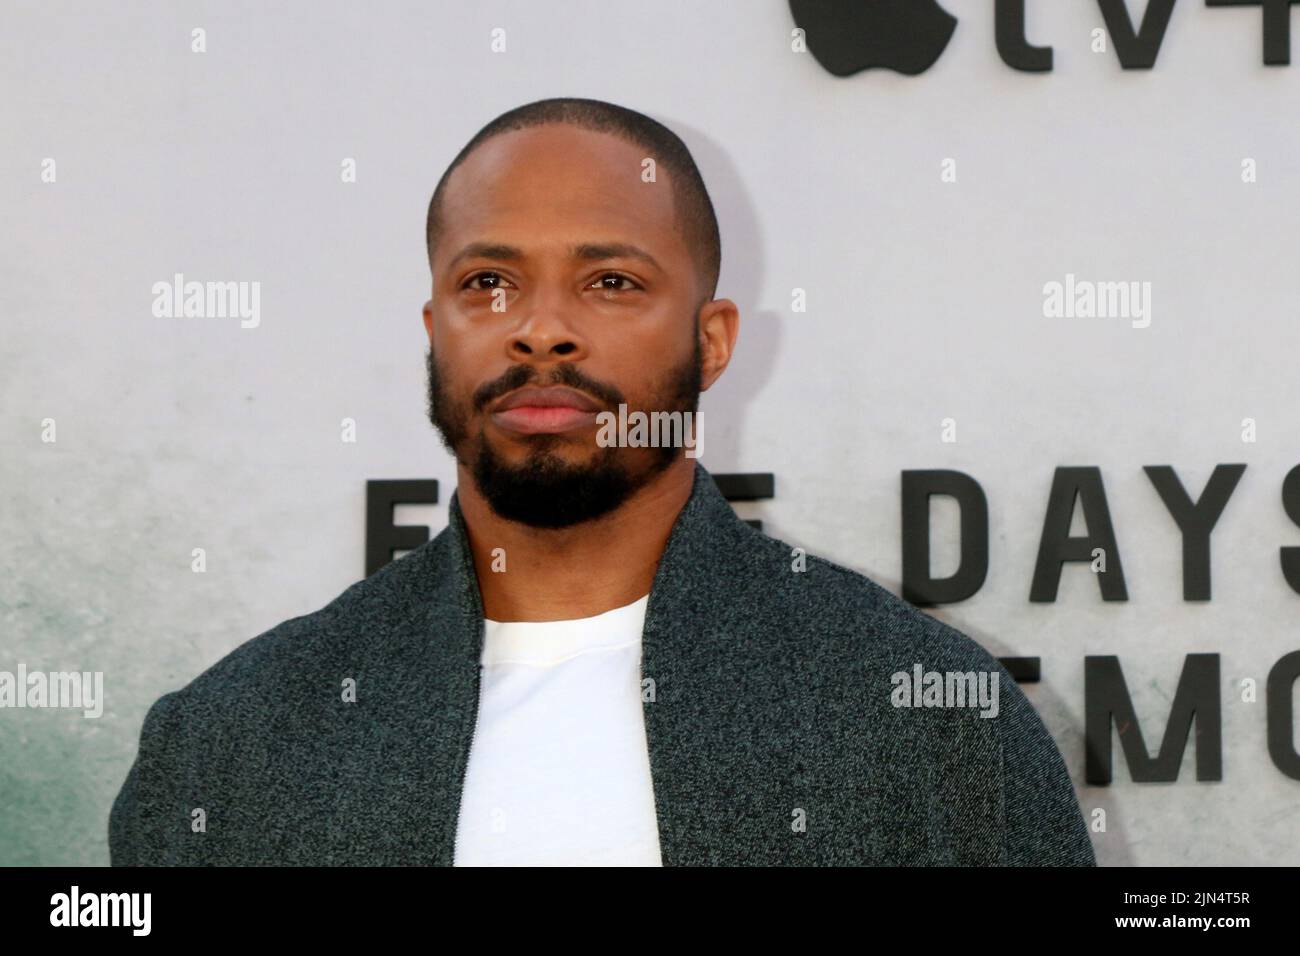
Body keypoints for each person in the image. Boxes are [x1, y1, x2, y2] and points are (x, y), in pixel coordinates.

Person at [109, 96, 1095, 866]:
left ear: (710, 342)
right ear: (434, 331)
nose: (538, 326)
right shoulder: (231, 742)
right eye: (485, 281)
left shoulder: (926, 721)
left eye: (610, 281)